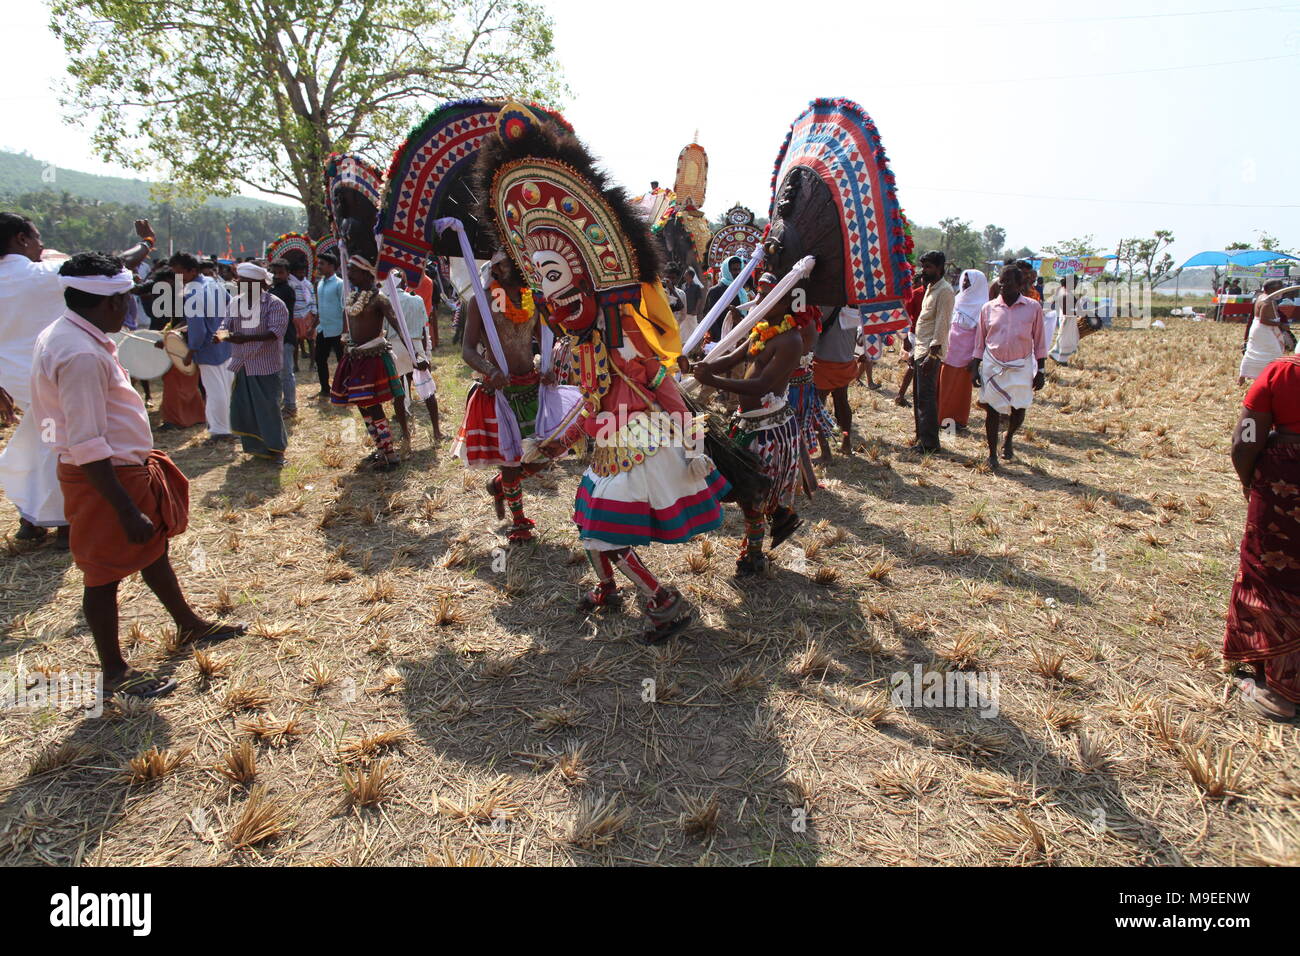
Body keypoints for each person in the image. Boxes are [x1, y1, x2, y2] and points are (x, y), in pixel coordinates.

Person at [480, 114, 730, 639]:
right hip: (610, 442)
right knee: (587, 520)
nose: (550, 295)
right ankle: (609, 590)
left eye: (556, 277)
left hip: (641, 442)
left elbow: (662, 384)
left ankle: (663, 601)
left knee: (602, 530)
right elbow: (590, 405)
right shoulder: (585, 343)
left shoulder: (621, 338)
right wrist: (549, 447)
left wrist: (692, 438)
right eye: (541, 281)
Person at [32, 253, 245, 698]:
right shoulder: (79, 354)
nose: (130, 309)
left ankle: (188, 624)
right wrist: (125, 508)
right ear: (107, 303)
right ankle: (113, 671)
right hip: (104, 478)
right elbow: (88, 442)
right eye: (126, 300)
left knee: (153, 550)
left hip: (119, 471)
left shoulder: (70, 335)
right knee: (102, 574)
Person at [0, 213, 154, 544]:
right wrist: (146, 243)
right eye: (36, 236)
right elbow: (111, 265)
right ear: (21, 239)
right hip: (61, 374)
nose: (41, 245)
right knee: (65, 446)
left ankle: (32, 518)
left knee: (40, 441)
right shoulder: (41, 274)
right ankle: (66, 521)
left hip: (16, 379)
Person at [696, 291, 810, 575]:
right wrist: (700, 366)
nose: (761, 299)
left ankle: (754, 556)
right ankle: (777, 518)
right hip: (747, 422)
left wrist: (713, 380)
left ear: (788, 301)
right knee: (749, 491)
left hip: (769, 429)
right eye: (760, 293)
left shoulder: (790, 340)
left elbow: (762, 384)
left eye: (770, 295)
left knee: (753, 496)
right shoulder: (762, 328)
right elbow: (734, 356)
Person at [1224, 352, 1300, 718]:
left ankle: (1276, 687)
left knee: (1273, 573)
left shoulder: (1283, 373)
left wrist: (1248, 480)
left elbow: (1246, 437)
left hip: (1286, 488)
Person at [454, 255, 548, 541]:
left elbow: (544, 339)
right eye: (511, 264)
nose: (520, 268)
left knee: (541, 458)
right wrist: (490, 370)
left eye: (521, 262)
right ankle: (519, 522)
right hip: (499, 392)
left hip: (531, 387)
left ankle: (498, 486)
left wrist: (548, 366)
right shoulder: (480, 302)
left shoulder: (532, 298)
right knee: (509, 461)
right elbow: (468, 350)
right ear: (496, 268)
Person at [330, 256, 407, 471]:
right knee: (363, 407)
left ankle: (390, 454)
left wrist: (414, 354)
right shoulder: (354, 297)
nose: (349, 274)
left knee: (373, 407)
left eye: (353, 270)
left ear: (365, 273)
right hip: (355, 356)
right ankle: (380, 448)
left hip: (372, 358)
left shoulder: (379, 299)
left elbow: (397, 325)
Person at [970, 264, 1047, 471]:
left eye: (1009, 282)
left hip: (1021, 365)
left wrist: (1040, 371)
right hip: (993, 365)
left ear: (1020, 285)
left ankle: (1009, 437)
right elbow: (980, 341)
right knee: (992, 411)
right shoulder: (988, 308)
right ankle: (992, 454)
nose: (1003, 286)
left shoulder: (1033, 308)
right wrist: (975, 366)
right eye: (1001, 282)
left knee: (1019, 409)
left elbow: (1039, 341)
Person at [223, 262, 290, 465]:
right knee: (246, 407)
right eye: (240, 282)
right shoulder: (235, 302)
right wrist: (221, 336)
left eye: (246, 282)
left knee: (268, 407)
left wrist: (245, 339)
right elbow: (225, 325)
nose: (241, 286)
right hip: (242, 363)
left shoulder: (274, 303)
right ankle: (256, 448)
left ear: (260, 283)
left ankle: (277, 450)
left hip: (265, 364)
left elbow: (275, 333)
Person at [172, 251, 235, 446]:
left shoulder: (192, 292)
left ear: (191, 271)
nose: (178, 277)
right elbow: (230, 304)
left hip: (208, 348)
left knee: (215, 391)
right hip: (225, 344)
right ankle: (229, 426)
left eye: (179, 273)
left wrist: (190, 351)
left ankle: (220, 431)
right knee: (226, 388)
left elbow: (198, 329)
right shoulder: (213, 282)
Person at [389, 272, 441, 451]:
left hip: (396, 348)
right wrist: (425, 353)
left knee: (399, 393)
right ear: (404, 284)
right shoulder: (416, 300)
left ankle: (406, 434)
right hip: (416, 345)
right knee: (427, 390)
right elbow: (424, 327)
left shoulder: (386, 302)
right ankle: (436, 431)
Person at [911, 251, 955, 452]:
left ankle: (929, 444)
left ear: (939, 268)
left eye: (928, 267)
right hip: (920, 349)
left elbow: (942, 325)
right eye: (923, 266)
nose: (924, 271)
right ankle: (921, 438)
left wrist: (932, 355)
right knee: (920, 398)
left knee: (926, 399)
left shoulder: (945, 291)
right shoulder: (931, 288)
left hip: (929, 353)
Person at [939, 268, 989, 432]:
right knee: (944, 387)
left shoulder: (983, 307)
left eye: (969, 281)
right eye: (964, 280)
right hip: (948, 352)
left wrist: (975, 359)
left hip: (966, 357)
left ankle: (956, 422)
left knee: (959, 391)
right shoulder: (958, 299)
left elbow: (981, 336)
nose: (965, 283)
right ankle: (942, 419)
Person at [812, 304, 861, 456]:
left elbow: (813, 329)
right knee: (842, 402)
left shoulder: (825, 306)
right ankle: (846, 444)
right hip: (845, 361)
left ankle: (825, 452)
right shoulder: (854, 306)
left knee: (817, 407)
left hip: (823, 362)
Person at [1239, 281, 1296, 384]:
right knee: (1274, 353)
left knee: (1252, 351)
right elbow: (1264, 320)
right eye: (1279, 288)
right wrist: (1280, 325)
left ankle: (1243, 377)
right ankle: (1270, 377)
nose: (1281, 290)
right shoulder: (1268, 301)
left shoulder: (1261, 297)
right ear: (1271, 289)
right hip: (1264, 330)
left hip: (1258, 329)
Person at [314, 253, 345, 398]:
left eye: (322, 263)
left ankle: (344, 390)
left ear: (331, 266)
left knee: (342, 361)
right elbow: (320, 307)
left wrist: (345, 331)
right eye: (318, 263)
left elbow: (345, 308)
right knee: (320, 359)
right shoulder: (320, 283)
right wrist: (312, 326)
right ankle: (325, 389)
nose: (319, 266)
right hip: (323, 329)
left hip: (338, 329)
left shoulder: (340, 284)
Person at [894, 271, 926, 408]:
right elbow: (904, 318)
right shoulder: (916, 294)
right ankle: (900, 396)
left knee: (918, 367)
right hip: (915, 334)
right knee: (913, 366)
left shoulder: (937, 294)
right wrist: (905, 339)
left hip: (927, 336)